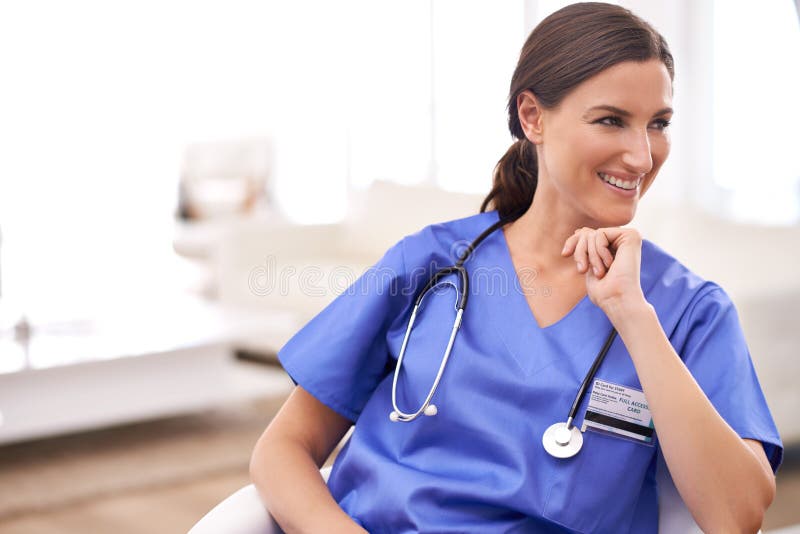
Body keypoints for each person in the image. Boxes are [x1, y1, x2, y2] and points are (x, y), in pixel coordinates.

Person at [249, 3, 783, 532]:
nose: (643, 157)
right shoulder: (431, 263)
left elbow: (736, 517)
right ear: (533, 117)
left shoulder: (688, 310)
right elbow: (284, 447)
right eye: (611, 121)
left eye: (658, 124)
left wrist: (633, 318)